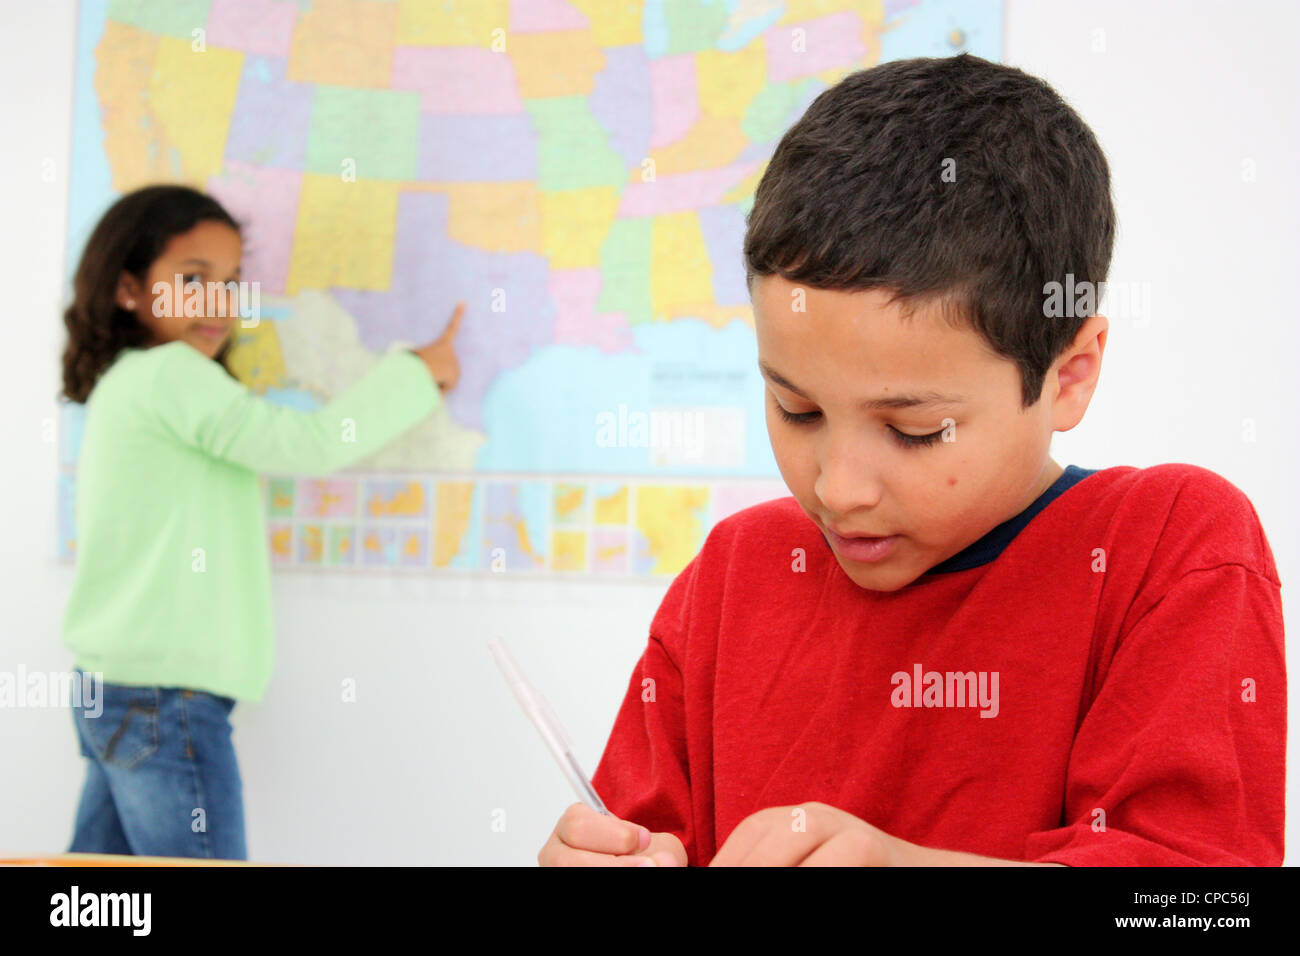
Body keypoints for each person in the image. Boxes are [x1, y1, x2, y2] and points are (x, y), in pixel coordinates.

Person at [538, 54, 1285, 866]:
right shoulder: (729, 581)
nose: (838, 488)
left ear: (1069, 372)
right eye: (798, 410)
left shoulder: (1171, 551)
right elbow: (641, 837)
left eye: (916, 430)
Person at [60, 184, 463, 859]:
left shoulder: (128, 383)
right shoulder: (172, 377)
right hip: (164, 699)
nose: (220, 302)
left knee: (95, 901)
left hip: (118, 688)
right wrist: (418, 373)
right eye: (194, 280)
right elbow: (307, 446)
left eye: (232, 281)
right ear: (128, 289)